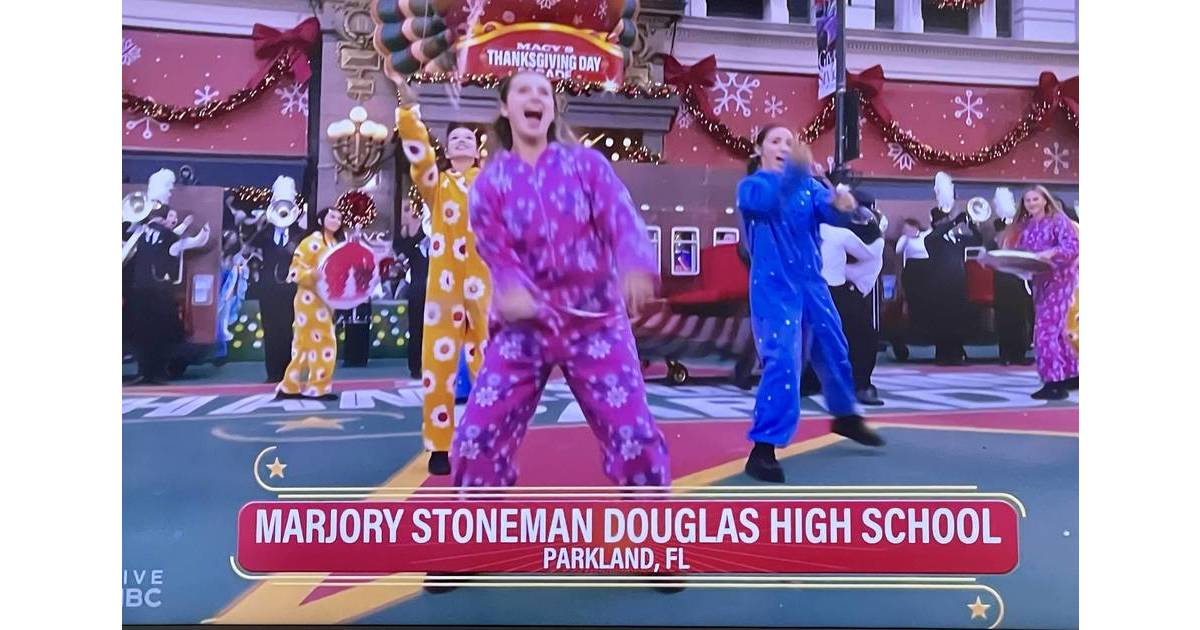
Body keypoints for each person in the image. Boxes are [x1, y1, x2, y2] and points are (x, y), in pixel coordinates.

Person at [453, 70, 669, 488]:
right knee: (475, 440)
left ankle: (651, 529)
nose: (536, 98)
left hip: (596, 323)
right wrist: (512, 289)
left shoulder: (586, 165)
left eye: (544, 92)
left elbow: (622, 219)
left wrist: (634, 263)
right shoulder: (489, 183)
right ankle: (476, 533)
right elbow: (494, 251)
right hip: (524, 328)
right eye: (523, 90)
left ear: (552, 108)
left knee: (635, 438)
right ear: (504, 107)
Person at [736, 126, 884, 484]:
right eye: (775, 141)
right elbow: (767, 205)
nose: (784, 147)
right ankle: (763, 449)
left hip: (811, 283)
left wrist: (843, 205)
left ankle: (845, 415)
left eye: (790, 142)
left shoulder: (809, 187)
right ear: (759, 150)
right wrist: (798, 173)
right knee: (783, 362)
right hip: (774, 287)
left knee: (835, 348)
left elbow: (831, 212)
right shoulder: (752, 186)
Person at [397, 85, 492, 476]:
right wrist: (408, 112)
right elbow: (419, 159)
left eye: (467, 137)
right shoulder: (438, 185)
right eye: (454, 139)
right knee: (437, 362)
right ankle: (439, 446)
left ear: (476, 148)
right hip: (445, 284)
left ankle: (489, 439)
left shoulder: (492, 180)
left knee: (490, 364)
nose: (460, 142)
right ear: (449, 150)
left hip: (486, 281)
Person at [1000, 186, 1079, 400]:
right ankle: (1071, 375)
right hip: (1039, 281)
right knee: (1056, 330)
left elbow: (1072, 248)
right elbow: (1026, 254)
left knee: (1044, 331)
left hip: (1060, 280)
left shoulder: (1059, 221)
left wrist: (1052, 252)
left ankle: (1053, 382)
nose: (1031, 203)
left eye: (1035, 199)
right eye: (1028, 200)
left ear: (1045, 200)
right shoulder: (1028, 227)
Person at [819, 191, 886, 406]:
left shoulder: (807, 230)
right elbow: (870, 253)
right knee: (864, 336)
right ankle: (862, 385)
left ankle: (809, 381)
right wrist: (875, 230)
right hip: (835, 291)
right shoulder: (840, 233)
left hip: (808, 290)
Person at [274, 207, 345, 401]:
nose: (336, 220)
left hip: (326, 301)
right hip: (309, 300)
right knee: (325, 342)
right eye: (332, 216)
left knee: (304, 344)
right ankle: (318, 387)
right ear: (321, 220)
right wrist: (313, 274)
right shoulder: (310, 243)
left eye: (339, 218)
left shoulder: (335, 244)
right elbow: (294, 272)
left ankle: (289, 385)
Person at [924, 207, 982, 365]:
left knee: (957, 322)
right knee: (943, 322)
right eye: (942, 220)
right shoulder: (932, 240)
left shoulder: (957, 239)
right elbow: (935, 234)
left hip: (958, 285)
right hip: (940, 287)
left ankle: (957, 353)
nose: (946, 222)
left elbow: (977, 241)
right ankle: (943, 355)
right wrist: (953, 222)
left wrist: (970, 224)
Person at [393, 203, 428, 380]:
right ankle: (415, 367)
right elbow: (399, 260)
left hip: (441, 293)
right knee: (416, 329)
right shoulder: (410, 242)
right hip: (417, 291)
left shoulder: (443, 239)